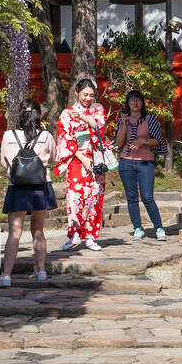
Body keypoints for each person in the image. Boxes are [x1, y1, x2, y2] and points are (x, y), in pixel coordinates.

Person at [0, 99, 58, 287]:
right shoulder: (46, 135)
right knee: (38, 230)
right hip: (40, 187)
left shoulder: (8, 135)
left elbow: (4, 163)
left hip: (18, 187)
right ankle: (41, 272)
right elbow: (55, 158)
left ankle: (6, 276)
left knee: (14, 232)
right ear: (38, 115)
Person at [55, 78, 108, 251]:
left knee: (94, 196)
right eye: (85, 94)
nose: (88, 98)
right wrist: (82, 158)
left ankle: (91, 236)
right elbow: (65, 138)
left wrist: (83, 117)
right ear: (77, 93)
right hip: (76, 161)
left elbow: (100, 128)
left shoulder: (98, 109)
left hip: (96, 159)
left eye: (91, 95)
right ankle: (74, 234)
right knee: (75, 198)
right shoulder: (66, 113)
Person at [113, 89, 169, 241]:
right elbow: (118, 144)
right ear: (127, 103)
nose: (135, 103)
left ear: (142, 103)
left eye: (138, 100)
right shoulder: (122, 120)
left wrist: (143, 141)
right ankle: (137, 228)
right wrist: (124, 124)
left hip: (145, 162)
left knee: (147, 197)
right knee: (131, 197)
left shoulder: (149, 119)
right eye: (132, 100)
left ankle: (159, 228)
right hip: (126, 162)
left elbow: (159, 140)